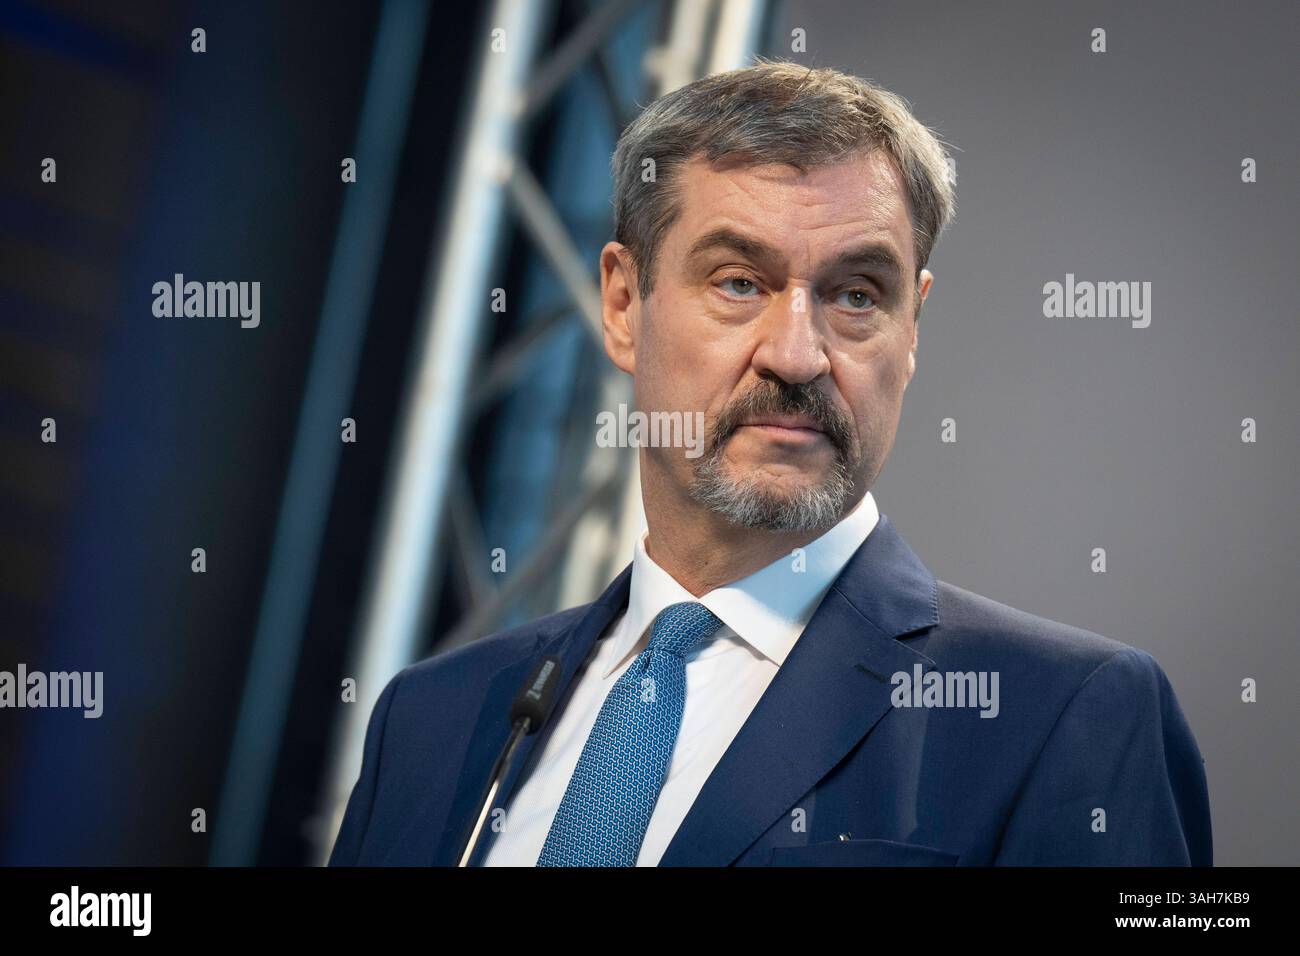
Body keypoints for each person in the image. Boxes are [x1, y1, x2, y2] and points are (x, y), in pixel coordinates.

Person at [328, 61, 1212, 867]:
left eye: (857, 295)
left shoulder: (1063, 717)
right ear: (625, 304)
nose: (796, 355)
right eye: (738, 282)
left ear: (912, 329)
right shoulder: (430, 719)